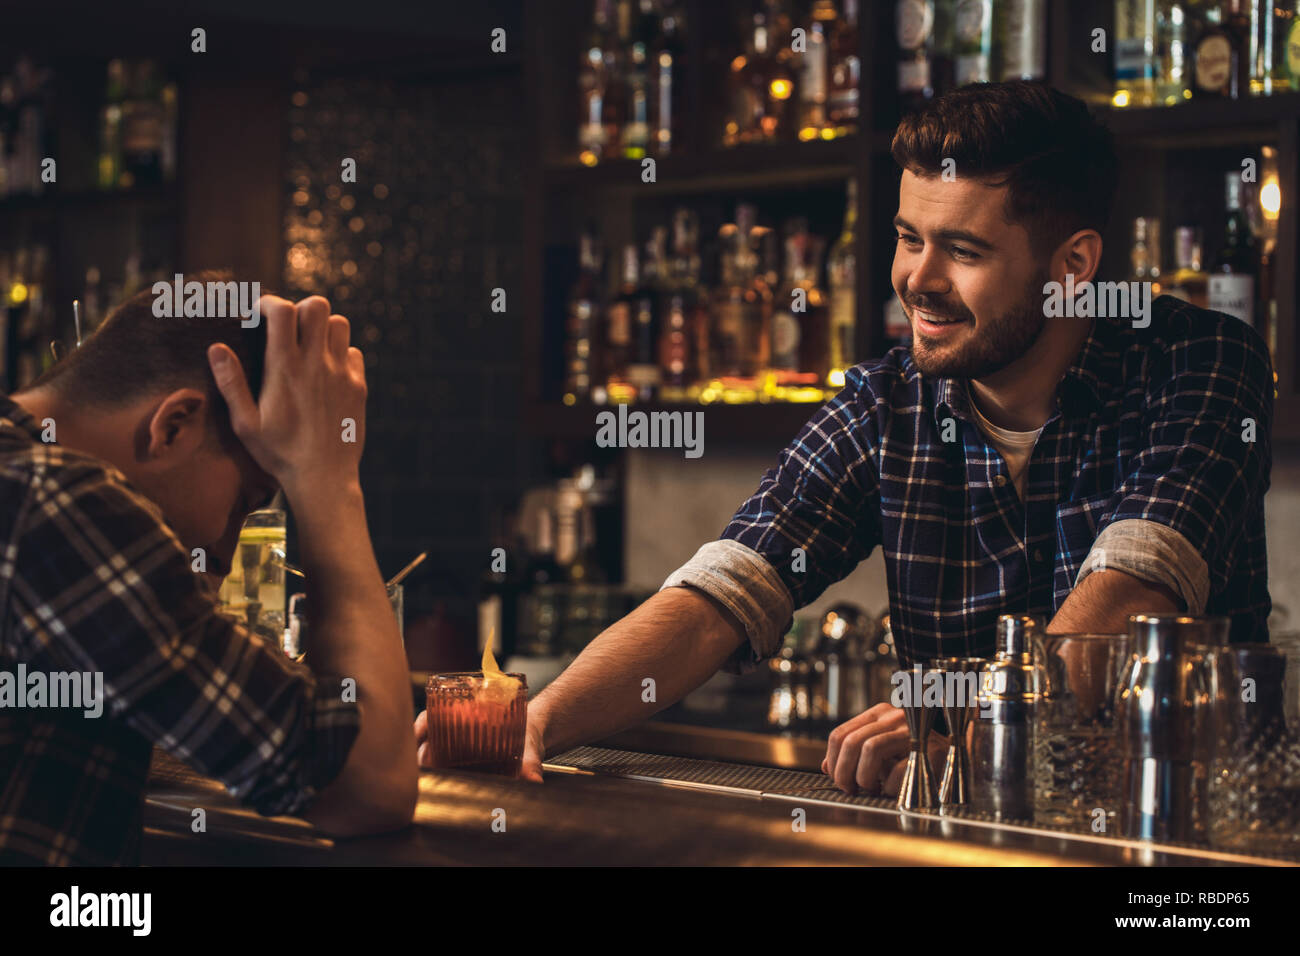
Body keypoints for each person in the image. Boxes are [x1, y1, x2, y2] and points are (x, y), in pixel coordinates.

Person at [415, 80, 1272, 796]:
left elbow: (1128, 598)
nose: (917, 280)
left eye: (962, 250)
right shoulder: (885, 404)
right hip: (966, 844)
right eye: (908, 238)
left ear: (1073, 266)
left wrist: (968, 721)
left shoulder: (1199, 365)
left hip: (1182, 845)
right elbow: (721, 594)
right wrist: (538, 721)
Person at [1, 274, 416, 864]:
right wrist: (327, 479)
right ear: (173, 427)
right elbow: (366, 787)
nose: (223, 561)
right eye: (248, 502)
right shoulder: (57, 501)